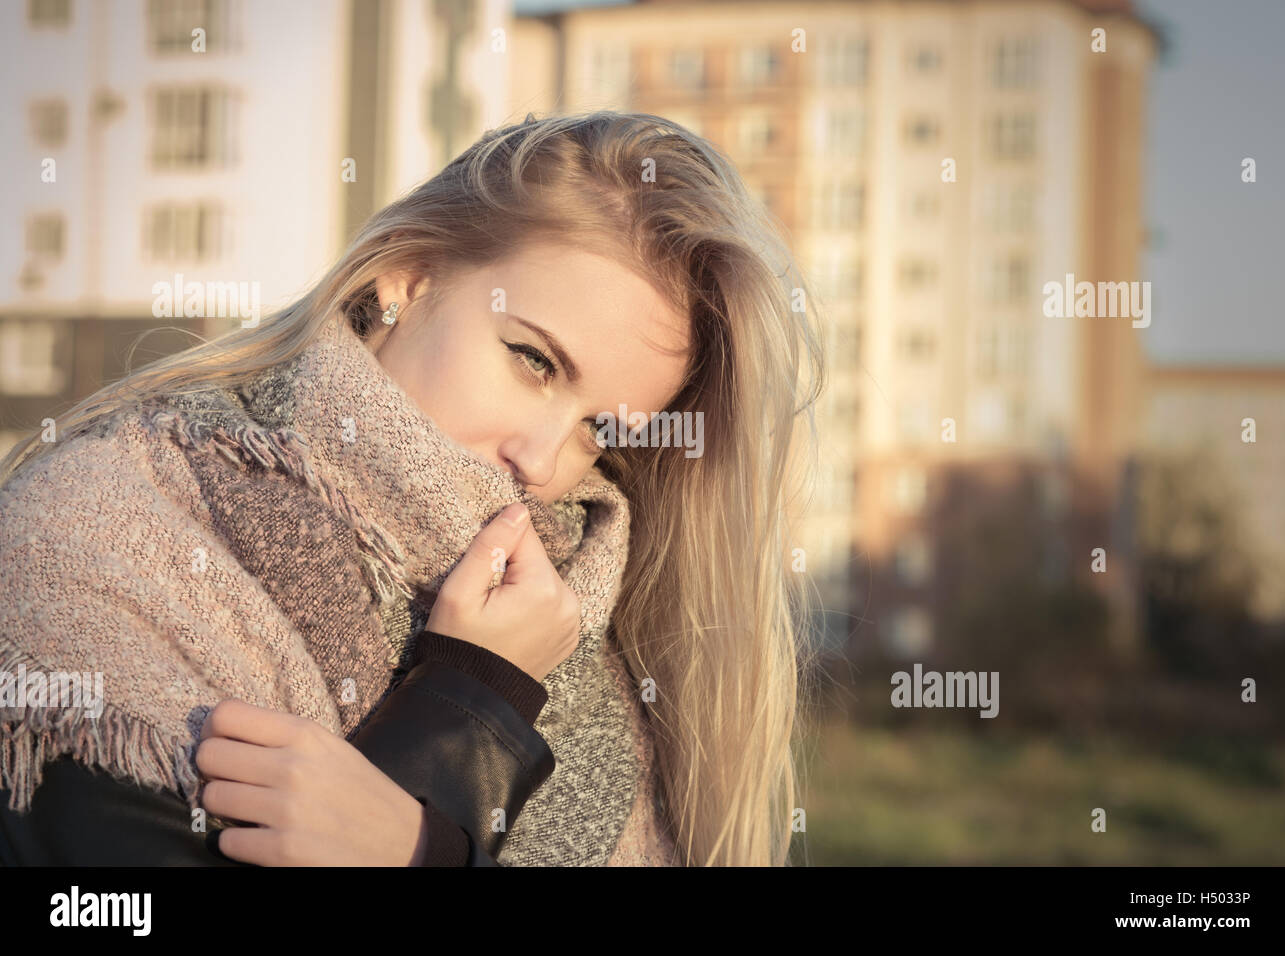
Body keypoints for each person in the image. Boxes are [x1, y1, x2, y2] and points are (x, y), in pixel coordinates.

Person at [0, 110, 826, 866]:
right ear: (406, 277)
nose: (542, 461)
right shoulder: (103, 531)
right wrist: (468, 704)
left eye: (602, 430)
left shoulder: (584, 642)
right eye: (533, 361)